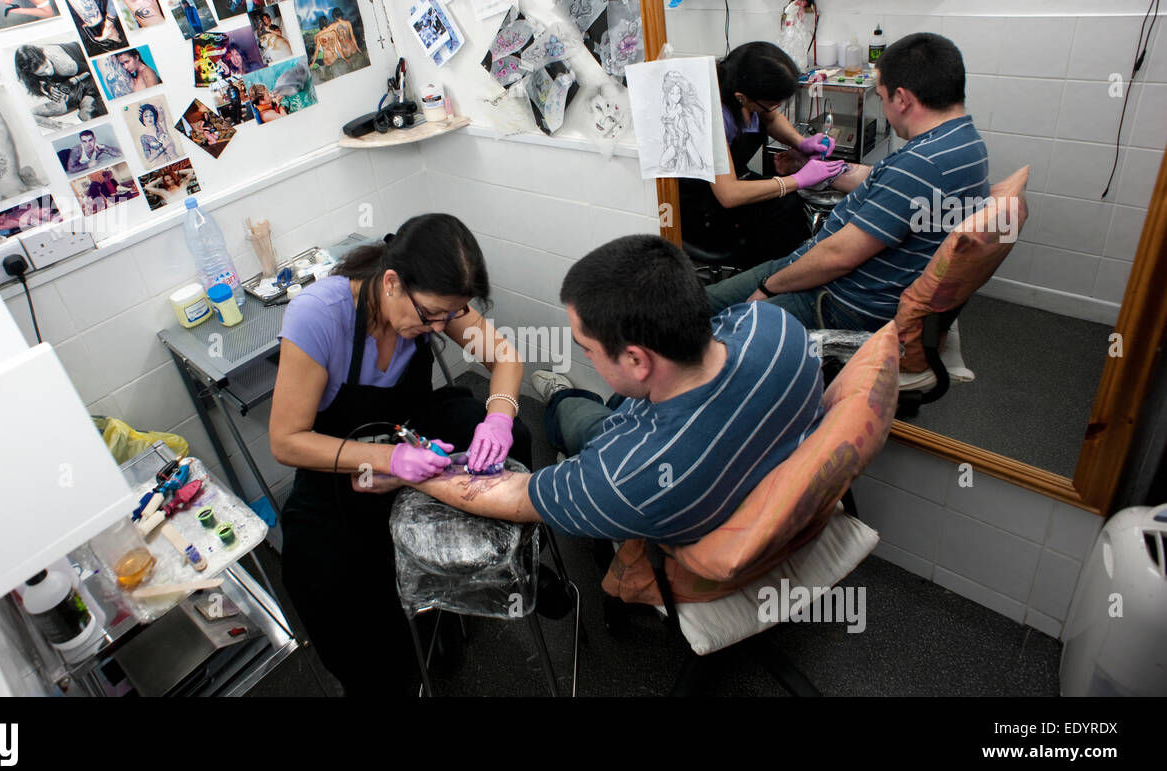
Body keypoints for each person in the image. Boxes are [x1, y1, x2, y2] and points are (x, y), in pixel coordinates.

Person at [359, 235, 823, 558]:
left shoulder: (623, 477)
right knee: (618, 409)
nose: (582, 352)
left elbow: (515, 494)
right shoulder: (779, 331)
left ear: (638, 360)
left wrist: (407, 474)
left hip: (649, 451)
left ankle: (561, 399)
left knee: (571, 414)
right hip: (700, 436)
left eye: (587, 349)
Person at [269, 214, 530, 696]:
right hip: (338, 458)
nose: (438, 326)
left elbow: (505, 358)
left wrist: (500, 417)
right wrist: (389, 462)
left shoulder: (436, 302)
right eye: (431, 316)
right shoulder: (319, 315)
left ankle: (475, 585)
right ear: (391, 283)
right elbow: (287, 441)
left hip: (411, 429)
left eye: (449, 316)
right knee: (321, 575)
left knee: (504, 431)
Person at [705, 33, 990, 332]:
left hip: (834, 297)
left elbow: (835, 257)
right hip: (831, 277)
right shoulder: (963, 144)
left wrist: (768, 287)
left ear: (903, 99)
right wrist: (811, 165)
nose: (884, 110)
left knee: (705, 315)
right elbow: (881, 178)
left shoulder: (921, 164)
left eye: (880, 98)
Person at [680, 42, 848, 270]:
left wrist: (802, 143)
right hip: (704, 209)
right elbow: (728, 195)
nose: (773, 110)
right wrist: (796, 180)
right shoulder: (713, 116)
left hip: (735, 181)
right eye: (770, 104)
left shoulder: (745, 97)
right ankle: (765, 284)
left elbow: (771, 118)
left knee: (792, 206)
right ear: (742, 97)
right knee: (784, 213)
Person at [14, 42, 103, 124]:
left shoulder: (65, 66)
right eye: (41, 73)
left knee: (85, 115)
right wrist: (50, 88)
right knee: (31, 114)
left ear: (45, 56)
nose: (48, 72)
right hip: (72, 87)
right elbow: (44, 82)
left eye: (47, 66)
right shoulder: (32, 68)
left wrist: (71, 81)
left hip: (90, 77)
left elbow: (91, 69)